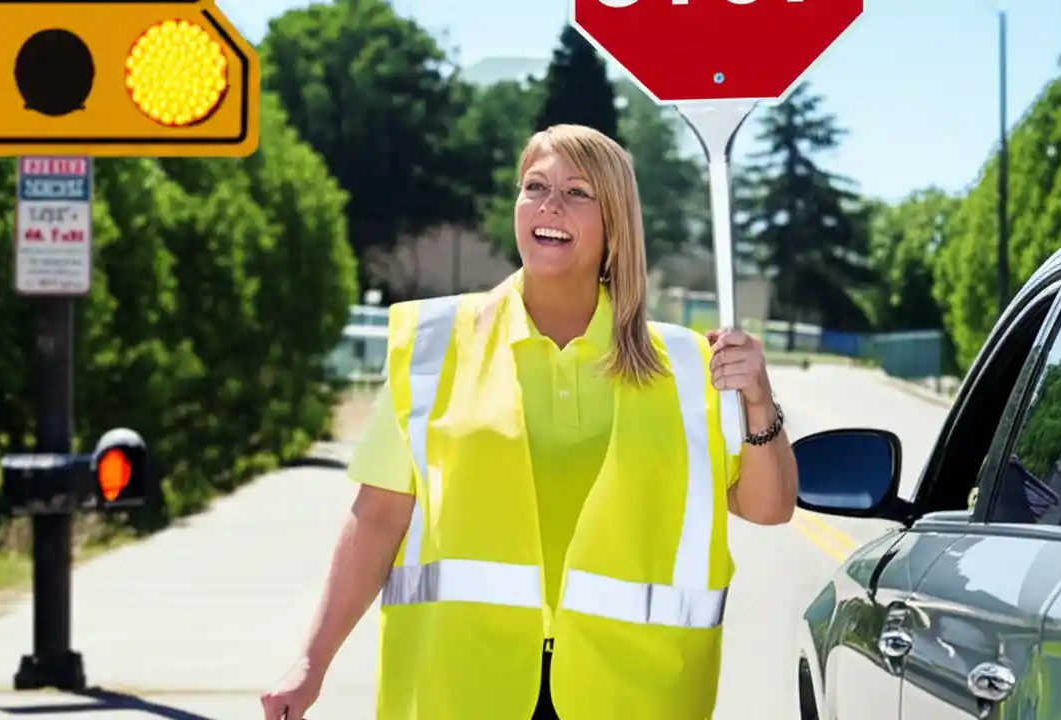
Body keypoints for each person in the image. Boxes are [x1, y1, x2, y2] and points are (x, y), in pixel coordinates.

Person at [261, 124, 799, 720]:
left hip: (635, 693)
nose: (549, 205)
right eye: (534, 187)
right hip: (460, 689)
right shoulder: (435, 346)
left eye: (576, 193)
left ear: (615, 222)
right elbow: (378, 518)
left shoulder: (690, 364)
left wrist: (757, 397)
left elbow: (769, 507)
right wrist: (312, 660)